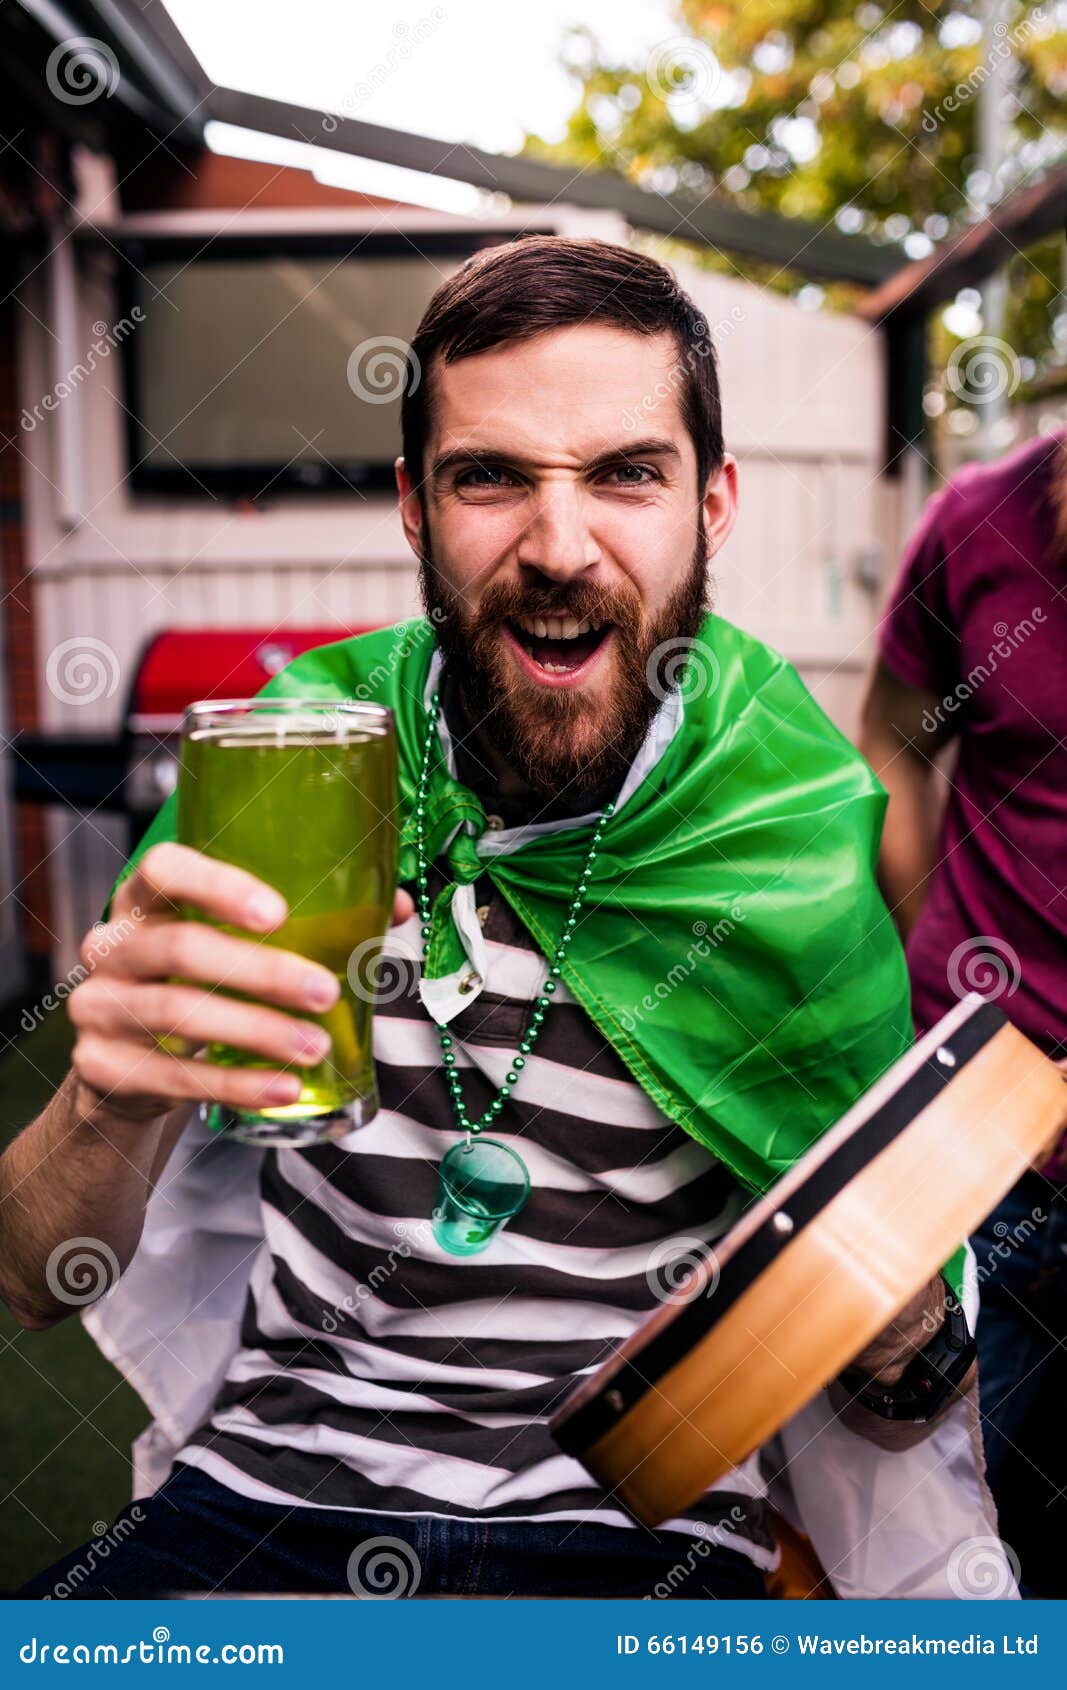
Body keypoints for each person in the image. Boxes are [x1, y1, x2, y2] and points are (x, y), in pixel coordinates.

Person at [3, 237, 997, 1600]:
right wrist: (103, 1109)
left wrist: (900, 1327)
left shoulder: (785, 829)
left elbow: (892, 1413)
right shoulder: (288, 764)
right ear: (413, 506)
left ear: (711, 502)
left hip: (633, 1533)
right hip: (263, 1494)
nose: (558, 547)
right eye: (490, 477)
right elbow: (32, 1273)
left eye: (624, 474)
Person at [858, 426, 1067, 1596]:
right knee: (926, 1560)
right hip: (977, 1150)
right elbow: (892, 733)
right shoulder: (978, 521)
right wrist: (918, 942)